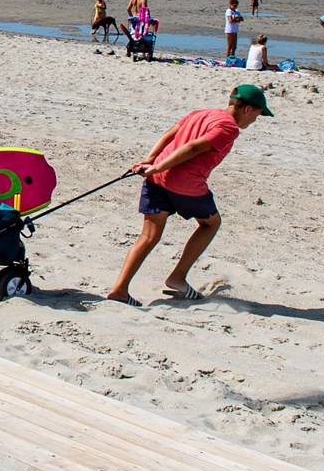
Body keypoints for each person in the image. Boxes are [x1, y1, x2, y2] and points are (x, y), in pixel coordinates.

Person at [107, 85, 272, 306]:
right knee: (211, 223)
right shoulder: (229, 127)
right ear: (248, 109)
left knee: (148, 236)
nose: (253, 122)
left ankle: (119, 290)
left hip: (157, 178)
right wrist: (155, 166)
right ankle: (177, 277)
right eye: (257, 116)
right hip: (183, 182)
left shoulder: (200, 113)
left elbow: (169, 135)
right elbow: (194, 147)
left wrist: (151, 160)